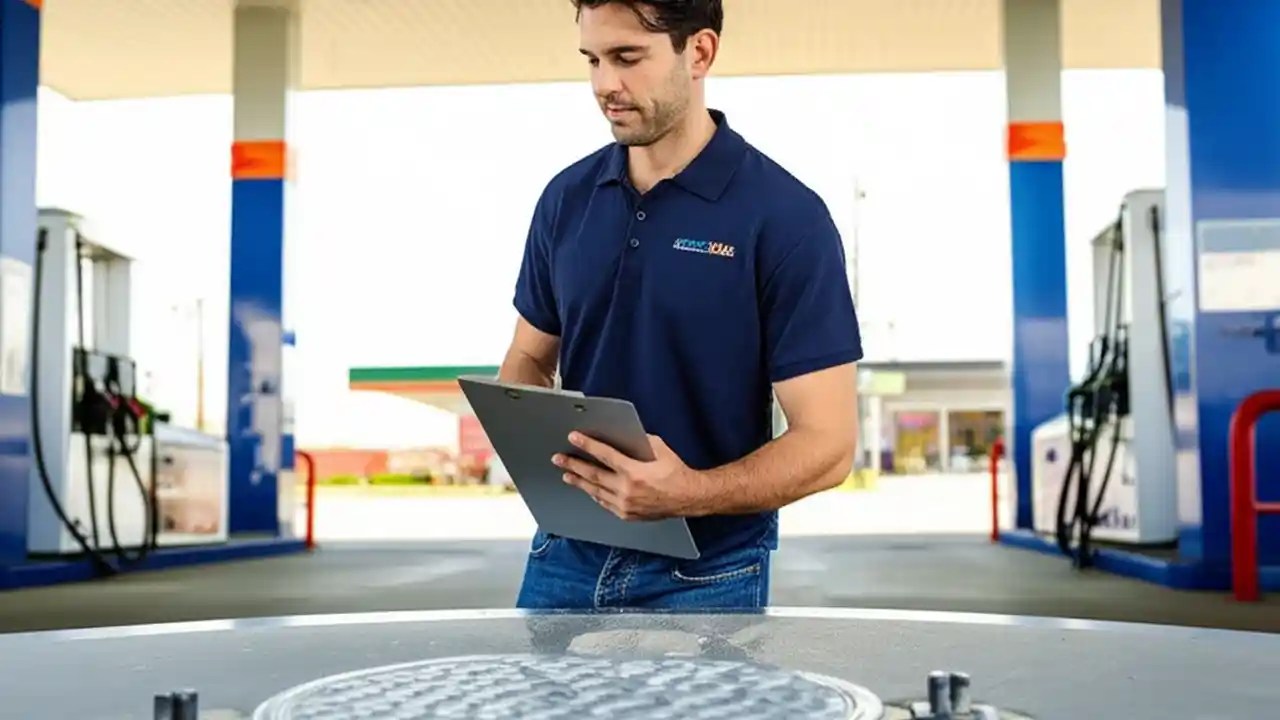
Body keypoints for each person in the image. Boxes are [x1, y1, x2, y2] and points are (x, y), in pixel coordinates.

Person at [498, 0, 862, 610]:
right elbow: (529, 357)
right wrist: (527, 440)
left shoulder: (786, 218)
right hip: (562, 557)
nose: (604, 84)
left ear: (699, 52)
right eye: (592, 60)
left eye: (627, 58)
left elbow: (829, 446)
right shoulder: (565, 200)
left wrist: (689, 492)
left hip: (706, 575)